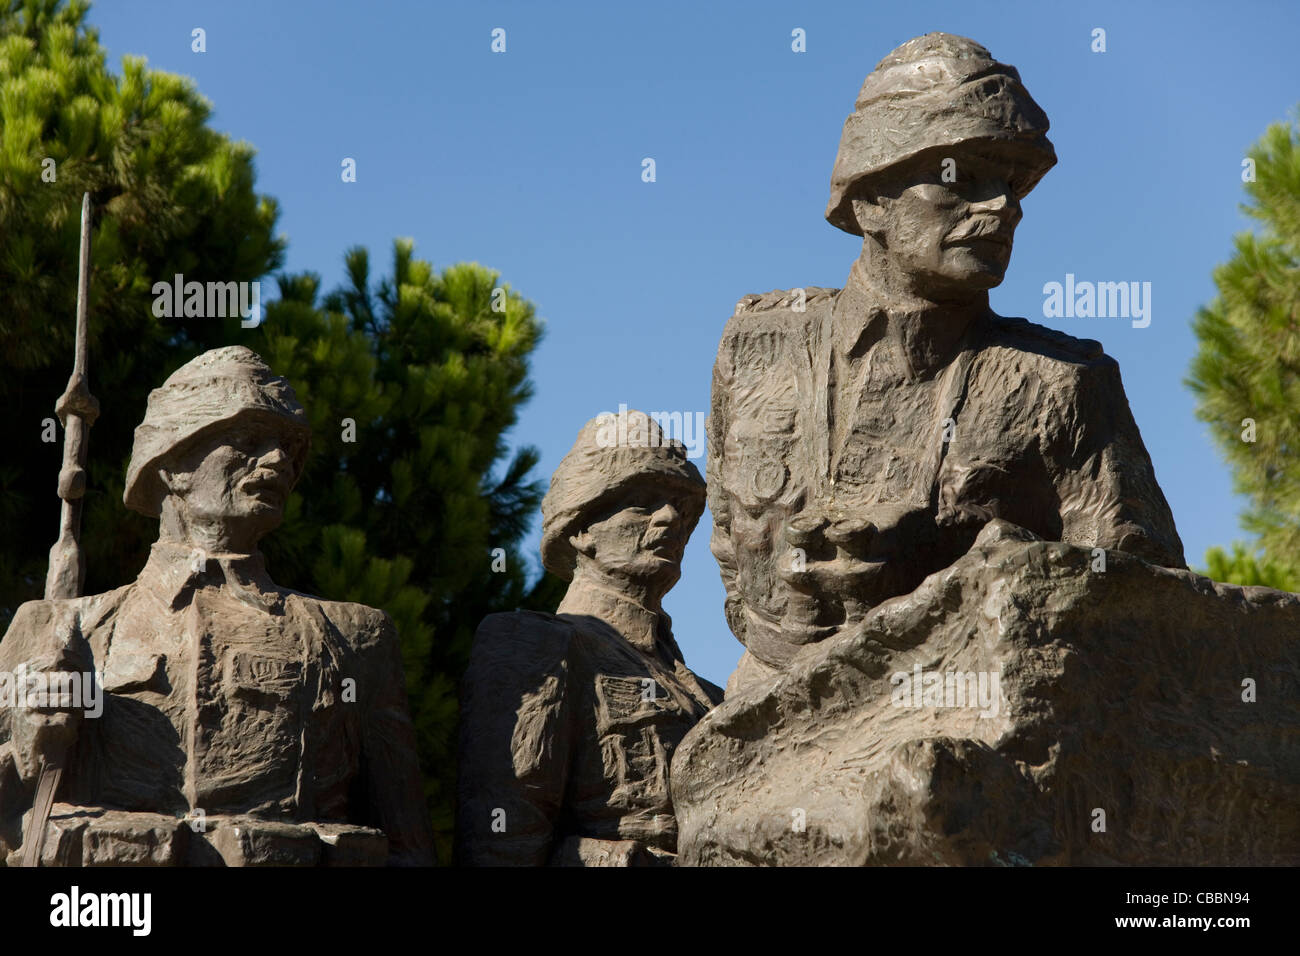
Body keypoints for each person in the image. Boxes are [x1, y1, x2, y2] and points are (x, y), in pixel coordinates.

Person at [708, 33, 1185, 693]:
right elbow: (731, 541)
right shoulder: (755, 344)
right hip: (762, 719)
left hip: (963, 726)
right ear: (872, 200)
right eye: (962, 177)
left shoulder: (1065, 382)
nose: (1004, 206)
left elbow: (1150, 600)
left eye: (1012, 184)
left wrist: (964, 564)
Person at [0, 346, 434, 865]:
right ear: (171, 465)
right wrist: (29, 750)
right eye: (248, 441)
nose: (276, 460)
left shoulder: (355, 637)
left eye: (288, 449)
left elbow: (408, 843)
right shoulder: (61, 627)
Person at [457, 410, 721, 866]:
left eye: (682, 505)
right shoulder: (535, 646)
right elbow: (500, 845)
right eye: (643, 502)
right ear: (580, 529)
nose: (670, 518)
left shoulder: (709, 694)